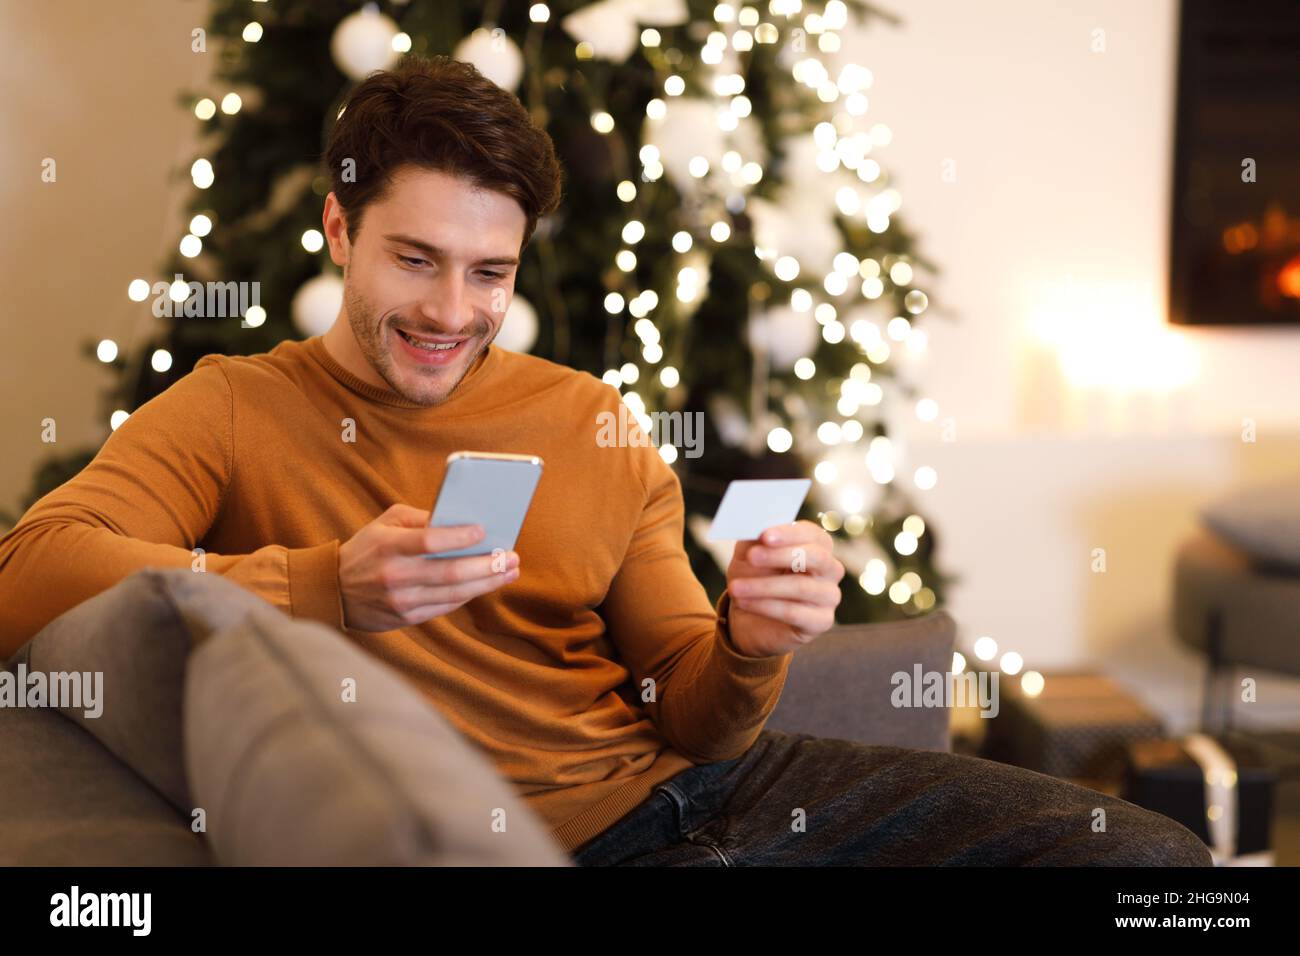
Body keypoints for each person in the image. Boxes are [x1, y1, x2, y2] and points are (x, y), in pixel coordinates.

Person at [0, 56, 1210, 867]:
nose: (451, 311)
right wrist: (322, 584)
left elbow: (690, 703)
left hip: (715, 791)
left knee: (1156, 868)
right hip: (545, 844)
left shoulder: (587, 416)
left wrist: (750, 639)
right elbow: (29, 568)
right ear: (337, 230)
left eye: (490, 272)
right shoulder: (234, 406)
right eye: (414, 259)